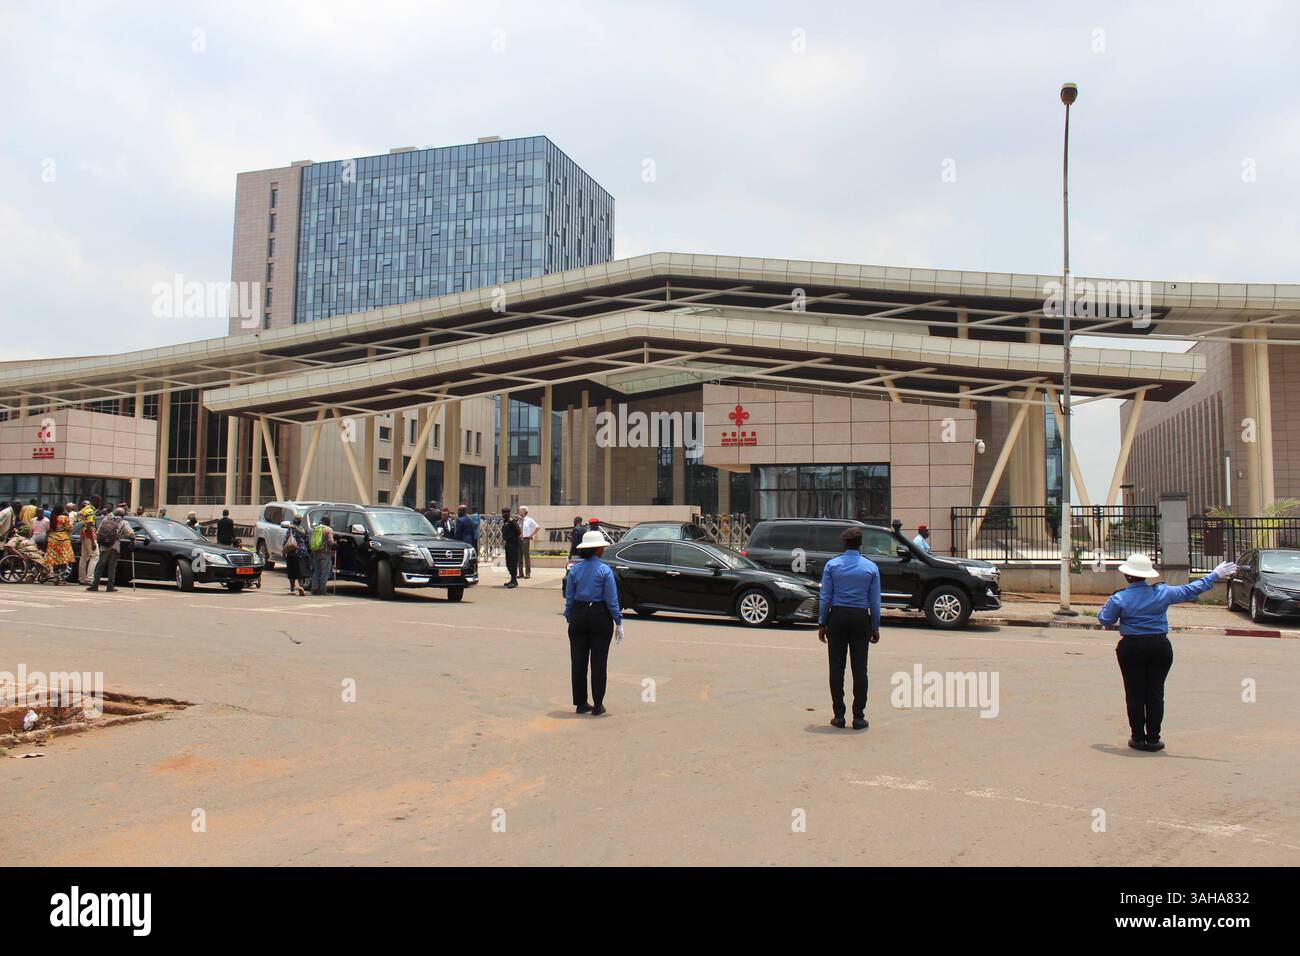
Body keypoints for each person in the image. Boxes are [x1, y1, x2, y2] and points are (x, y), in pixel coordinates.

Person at [1098, 553, 1237, 752]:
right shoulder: (1162, 592)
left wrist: (1103, 611)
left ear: (1127, 576)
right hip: (1159, 646)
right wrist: (1214, 575)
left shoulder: (1119, 597)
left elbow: (1105, 620)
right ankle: (1154, 739)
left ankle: (1137, 738)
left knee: (1135, 693)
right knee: (1155, 693)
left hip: (1132, 647)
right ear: (1146, 575)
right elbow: (1191, 590)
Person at [818, 527, 882, 730]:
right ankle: (859, 716)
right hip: (860, 618)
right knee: (860, 668)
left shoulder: (832, 565)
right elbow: (875, 600)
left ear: (844, 544)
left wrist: (822, 622)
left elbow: (825, 597)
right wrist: (875, 625)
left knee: (837, 667)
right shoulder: (871, 567)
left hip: (837, 617)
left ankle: (838, 715)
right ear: (860, 544)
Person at [564, 528, 623, 716]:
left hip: (579, 614)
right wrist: (618, 622)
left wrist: (570, 617)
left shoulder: (575, 569)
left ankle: (581, 703)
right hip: (599, 615)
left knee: (578, 662)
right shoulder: (605, 570)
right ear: (598, 550)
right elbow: (612, 600)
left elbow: (569, 598)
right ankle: (598, 704)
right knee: (599, 662)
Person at [87, 507, 133, 592]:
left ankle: (95, 584)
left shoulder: (105, 520)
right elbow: (130, 533)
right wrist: (133, 539)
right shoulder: (123, 522)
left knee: (100, 565)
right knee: (112, 567)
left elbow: (98, 532)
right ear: (123, 515)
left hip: (104, 546)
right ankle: (110, 586)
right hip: (115, 546)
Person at [43, 505, 75, 585]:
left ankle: (56, 577)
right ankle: (61, 579)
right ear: (61, 510)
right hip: (63, 541)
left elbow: (50, 529)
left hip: (53, 540)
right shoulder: (64, 518)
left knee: (55, 560)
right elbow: (69, 528)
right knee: (64, 560)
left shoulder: (53, 517)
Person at [308, 515, 335, 595]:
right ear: (328, 522)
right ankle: (322, 590)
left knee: (316, 571)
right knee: (324, 572)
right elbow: (330, 541)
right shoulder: (328, 530)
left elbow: (310, 540)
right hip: (325, 553)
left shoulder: (315, 528)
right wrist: (335, 545)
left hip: (315, 552)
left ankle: (314, 589)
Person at [284, 516, 309, 596]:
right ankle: (301, 586)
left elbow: (286, 540)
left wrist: (284, 549)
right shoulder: (304, 529)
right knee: (301, 571)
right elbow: (307, 540)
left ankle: (292, 588)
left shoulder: (290, 529)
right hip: (302, 552)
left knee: (292, 571)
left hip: (292, 552)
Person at [76, 498, 100, 584]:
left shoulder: (83, 510)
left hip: (83, 535)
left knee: (84, 557)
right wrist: (93, 541)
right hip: (89, 536)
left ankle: (81, 578)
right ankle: (89, 578)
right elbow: (89, 526)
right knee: (95, 556)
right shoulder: (90, 511)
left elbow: (82, 523)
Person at [500, 507, 521, 588]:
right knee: (508, 562)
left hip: (513, 544)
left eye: (505, 513)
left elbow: (519, 532)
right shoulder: (505, 522)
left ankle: (514, 580)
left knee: (513, 562)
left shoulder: (512, 522)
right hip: (508, 544)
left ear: (508, 513)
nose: (503, 514)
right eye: (503, 513)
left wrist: (512, 537)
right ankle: (512, 579)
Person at [518, 505, 539, 579]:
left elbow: (537, 527)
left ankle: (528, 573)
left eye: (520, 510)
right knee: (519, 557)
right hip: (519, 540)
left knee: (526, 557)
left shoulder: (529, 520)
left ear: (525, 512)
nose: (519, 511)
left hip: (525, 540)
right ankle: (520, 573)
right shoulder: (518, 520)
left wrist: (531, 535)